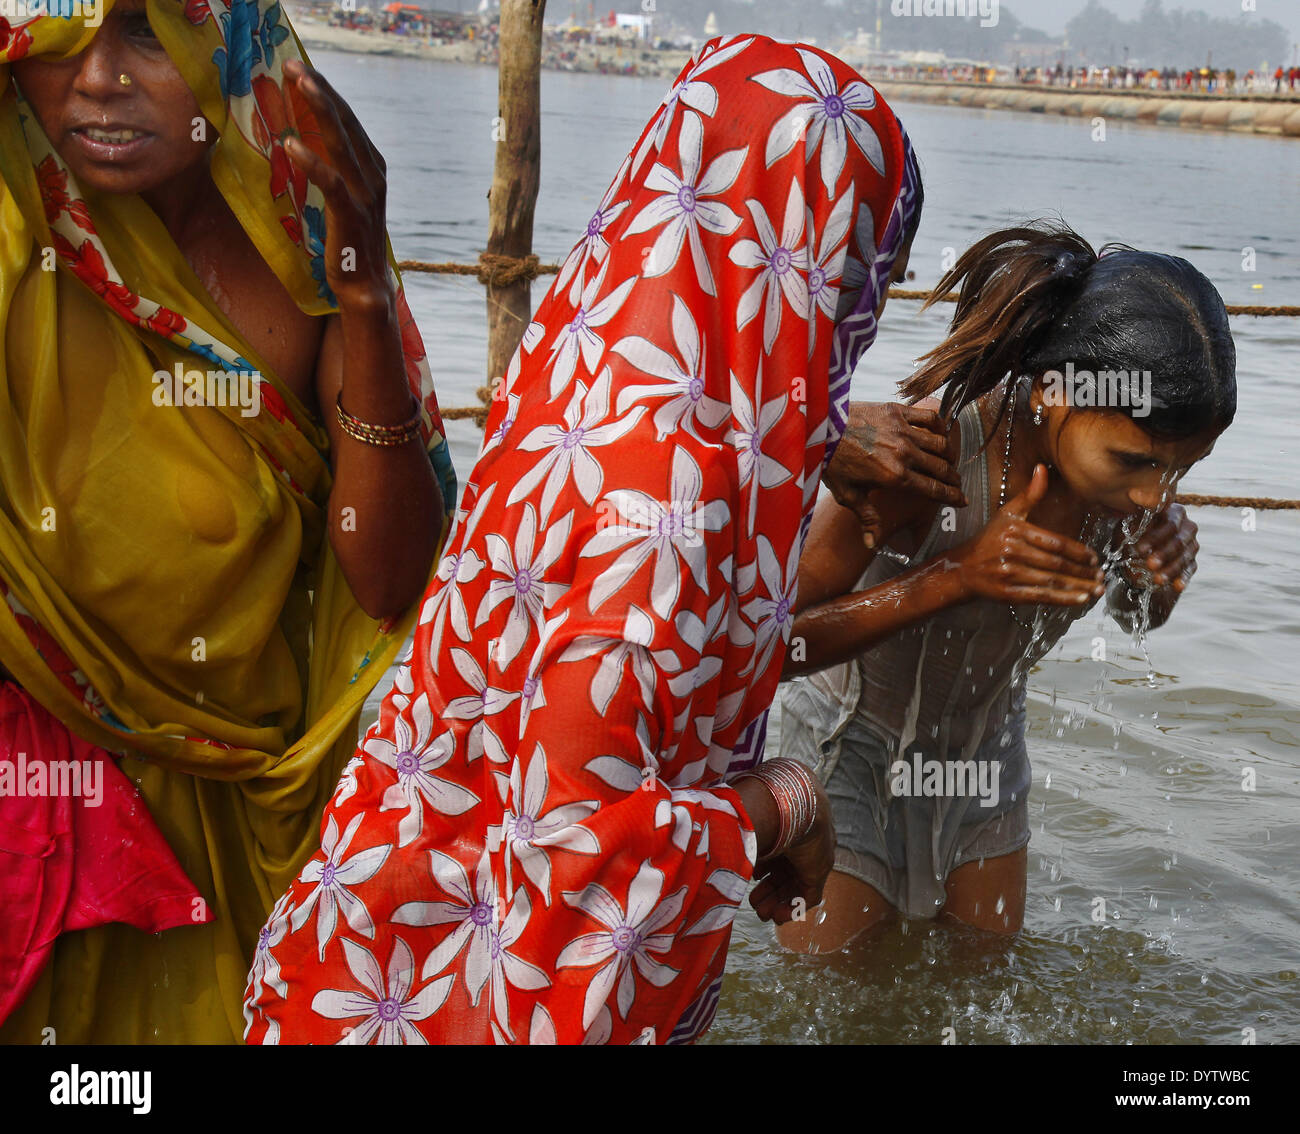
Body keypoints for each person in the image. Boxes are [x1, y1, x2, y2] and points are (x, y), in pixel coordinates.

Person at [244, 33, 942, 1045]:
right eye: (863, 271)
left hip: (370, 962)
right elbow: (584, 844)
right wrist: (785, 804)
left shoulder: (574, 384)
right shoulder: (673, 492)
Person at [0, 0, 455, 1042]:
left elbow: (386, 584)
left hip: (248, 808)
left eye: (149, 35)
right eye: (66, 37)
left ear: (229, 47)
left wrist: (364, 287)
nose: (101, 77)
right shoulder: (14, 225)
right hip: (38, 803)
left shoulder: (305, 263)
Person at [777, 223, 1236, 952]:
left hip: (986, 757)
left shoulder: (1125, 494)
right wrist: (956, 576)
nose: (1158, 494)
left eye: (1184, 468)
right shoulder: (925, 458)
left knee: (985, 976)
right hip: (846, 753)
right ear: (1054, 393)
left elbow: (1134, 618)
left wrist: (1158, 581)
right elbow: (771, 646)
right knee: (839, 999)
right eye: (1137, 462)